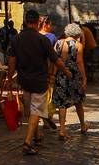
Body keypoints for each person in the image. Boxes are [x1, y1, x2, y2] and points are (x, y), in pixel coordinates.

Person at [8, 9, 70, 156]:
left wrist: (10, 77)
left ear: (25, 21)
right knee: (36, 111)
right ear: (37, 22)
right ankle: (28, 143)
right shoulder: (42, 40)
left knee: (30, 110)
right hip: (39, 80)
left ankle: (36, 136)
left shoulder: (16, 39)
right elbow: (55, 59)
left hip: (24, 79)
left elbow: (12, 60)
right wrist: (66, 72)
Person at [52, 23, 88, 138]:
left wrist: (52, 74)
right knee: (78, 101)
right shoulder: (78, 45)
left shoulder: (58, 43)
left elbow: (54, 60)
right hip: (74, 76)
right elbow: (79, 62)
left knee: (62, 103)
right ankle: (83, 125)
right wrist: (84, 78)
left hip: (61, 75)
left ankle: (62, 129)